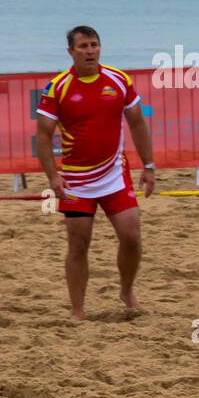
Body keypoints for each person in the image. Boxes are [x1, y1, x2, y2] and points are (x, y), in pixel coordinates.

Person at [35, 26, 156, 320]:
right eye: (83, 46)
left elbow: (138, 123)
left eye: (94, 45)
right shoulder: (57, 87)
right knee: (79, 243)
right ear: (71, 51)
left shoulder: (118, 79)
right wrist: (53, 175)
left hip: (115, 175)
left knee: (131, 236)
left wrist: (149, 166)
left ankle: (126, 291)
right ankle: (78, 311)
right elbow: (42, 135)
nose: (90, 51)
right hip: (76, 181)